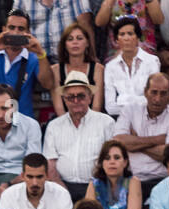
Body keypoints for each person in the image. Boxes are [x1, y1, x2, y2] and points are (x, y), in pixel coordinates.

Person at [0, 9, 53, 124]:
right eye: (11, 28)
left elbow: (48, 84)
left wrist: (41, 53)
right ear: (4, 30)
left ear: (28, 33)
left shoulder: (34, 57)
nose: (15, 32)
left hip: (22, 118)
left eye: (21, 29)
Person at [43, 71, 116, 201]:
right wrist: (61, 189)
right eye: (71, 97)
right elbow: (50, 163)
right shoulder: (54, 126)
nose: (76, 101)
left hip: (98, 186)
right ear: (64, 100)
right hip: (62, 186)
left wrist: (97, 188)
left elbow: (112, 160)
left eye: (81, 96)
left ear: (90, 97)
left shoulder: (106, 123)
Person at [115, 71, 169, 197]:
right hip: (130, 179)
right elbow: (119, 141)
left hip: (164, 180)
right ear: (145, 92)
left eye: (163, 93)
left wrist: (135, 141)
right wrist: (158, 140)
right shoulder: (130, 110)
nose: (157, 99)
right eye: (154, 92)